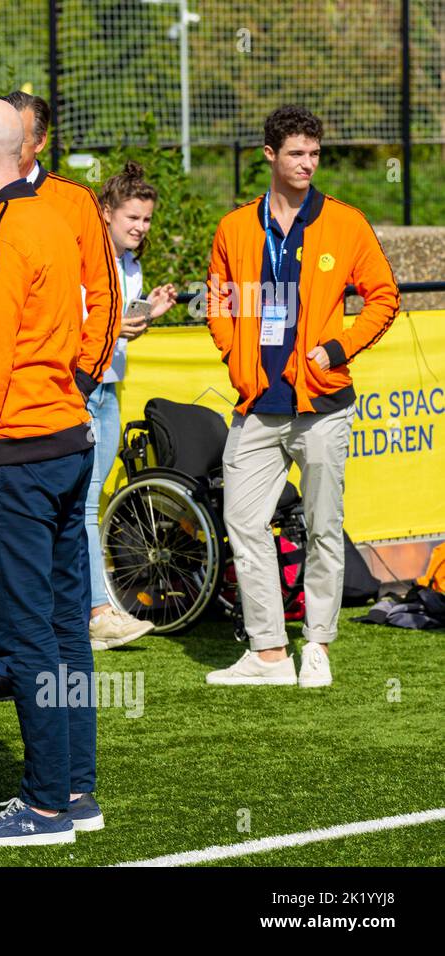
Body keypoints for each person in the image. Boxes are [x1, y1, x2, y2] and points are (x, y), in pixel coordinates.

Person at [0, 99, 97, 847]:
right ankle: (74, 787)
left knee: (25, 634)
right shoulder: (54, 215)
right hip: (68, 439)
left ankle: (43, 807)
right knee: (66, 628)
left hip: (20, 450)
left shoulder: (3, 225)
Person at [204, 105, 398, 688]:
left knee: (322, 526)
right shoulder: (237, 227)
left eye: (314, 153)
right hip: (257, 404)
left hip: (322, 406)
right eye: (296, 153)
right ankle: (268, 652)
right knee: (242, 520)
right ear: (270, 155)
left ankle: (316, 644)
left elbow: (383, 298)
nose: (308, 163)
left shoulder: (346, 223)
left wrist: (337, 350)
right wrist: (237, 361)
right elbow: (218, 302)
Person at [87, 162, 178, 649]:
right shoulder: (88, 259)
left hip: (108, 386)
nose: (141, 228)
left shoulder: (132, 265)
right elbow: (78, 326)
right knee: (82, 506)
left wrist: (149, 313)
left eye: (146, 220)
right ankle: (99, 610)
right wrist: (114, 327)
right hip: (82, 388)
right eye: (132, 218)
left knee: (91, 502)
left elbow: (120, 330)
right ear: (105, 213)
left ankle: (94, 609)